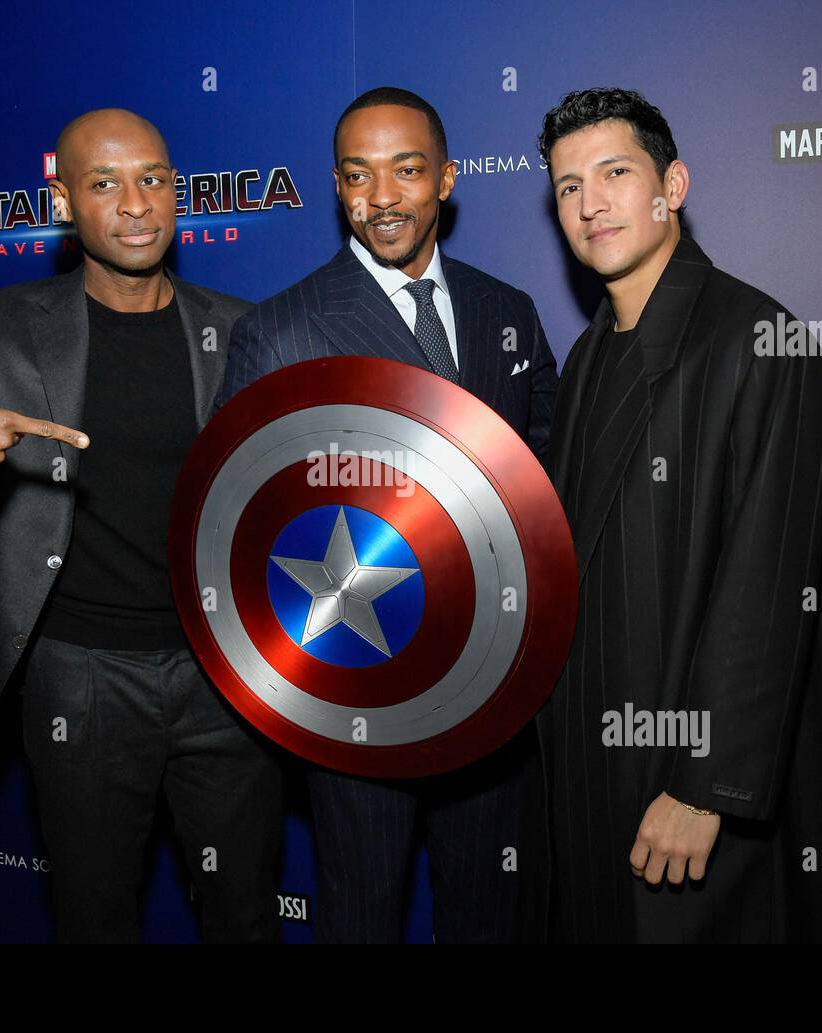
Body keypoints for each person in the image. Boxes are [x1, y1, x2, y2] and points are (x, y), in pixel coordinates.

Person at [0, 108, 281, 943]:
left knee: (243, 913)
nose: (136, 204)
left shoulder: (243, 327)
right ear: (63, 200)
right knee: (94, 916)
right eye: (105, 184)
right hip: (81, 681)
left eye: (153, 180)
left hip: (230, 673)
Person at [216, 86, 557, 943]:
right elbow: (235, 524)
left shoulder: (505, 310)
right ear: (336, 188)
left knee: (488, 911)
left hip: (492, 682)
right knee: (362, 913)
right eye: (359, 175)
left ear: (445, 179)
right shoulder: (281, 331)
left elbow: (549, 478)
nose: (383, 196)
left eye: (406, 170)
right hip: (358, 686)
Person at [535, 87, 822, 942]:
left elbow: (770, 583)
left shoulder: (762, 338)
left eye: (614, 172)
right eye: (568, 187)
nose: (591, 202)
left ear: (671, 185)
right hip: (589, 769)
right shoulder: (583, 359)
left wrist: (703, 785)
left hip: (691, 789)